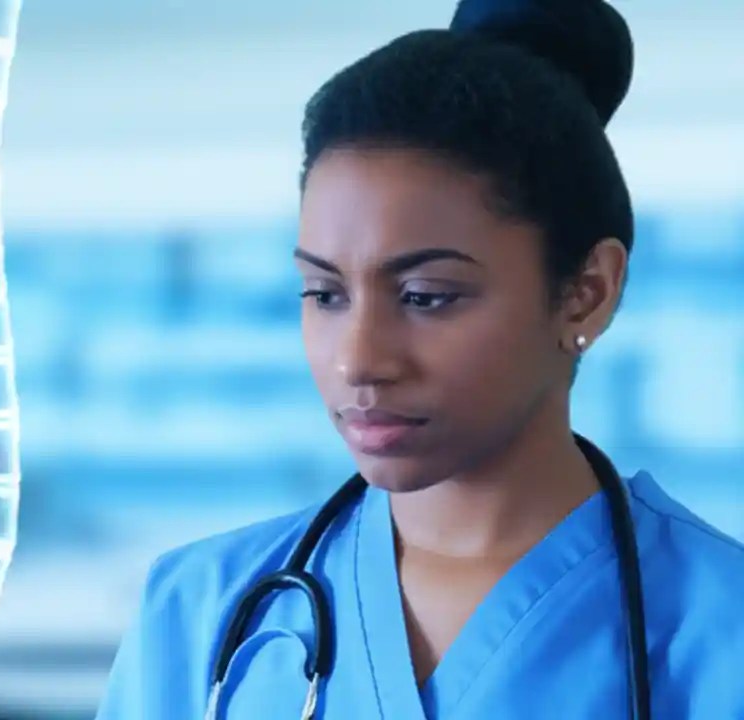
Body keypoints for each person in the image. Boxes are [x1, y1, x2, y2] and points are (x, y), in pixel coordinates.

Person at [95, 0, 744, 718]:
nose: (359, 361)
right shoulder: (198, 612)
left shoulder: (722, 632)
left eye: (426, 296)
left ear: (585, 294)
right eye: (324, 293)